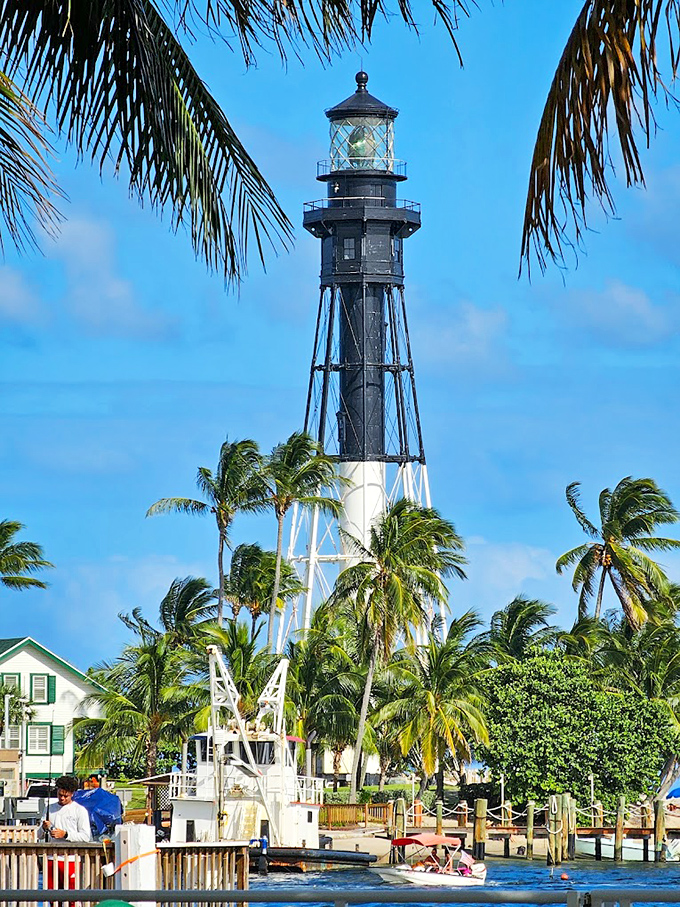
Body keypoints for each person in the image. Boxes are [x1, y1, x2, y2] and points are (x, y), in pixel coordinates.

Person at [42, 775, 91, 842]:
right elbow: (39, 835)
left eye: (65, 796)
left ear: (72, 794)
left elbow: (85, 837)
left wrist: (65, 835)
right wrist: (43, 827)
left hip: (72, 851)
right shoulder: (49, 808)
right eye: (60, 795)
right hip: (52, 851)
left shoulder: (80, 810)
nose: (62, 798)